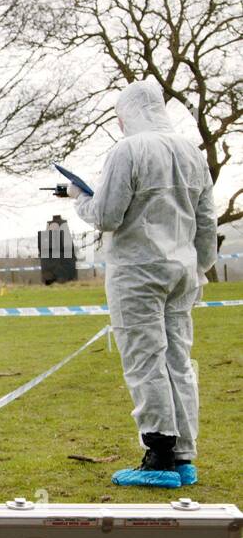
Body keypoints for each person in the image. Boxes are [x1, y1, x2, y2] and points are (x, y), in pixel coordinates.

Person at [70, 79, 217, 488]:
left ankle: (158, 453)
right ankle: (184, 454)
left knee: (144, 358)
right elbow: (207, 222)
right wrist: (200, 266)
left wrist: (78, 197)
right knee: (179, 360)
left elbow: (107, 216)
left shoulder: (127, 150)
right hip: (183, 270)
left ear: (127, 114)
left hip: (137, 271)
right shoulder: (193, 153)